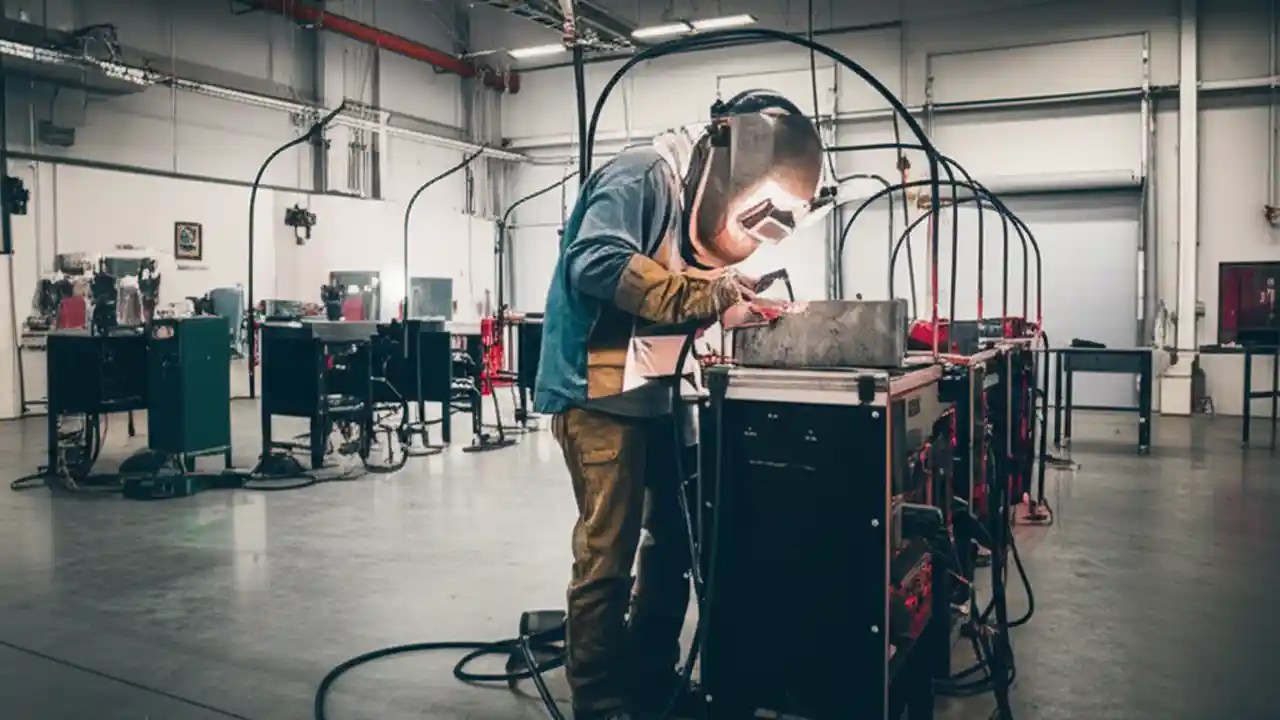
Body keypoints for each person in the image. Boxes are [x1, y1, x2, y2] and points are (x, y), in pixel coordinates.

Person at [534, 89, 825, 720]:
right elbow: (594, 263)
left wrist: (733, 309)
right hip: (598, 391)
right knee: (607, 548)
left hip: (663, 391)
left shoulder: (707, 200)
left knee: (674, 536)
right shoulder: (641, 176)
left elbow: (687, 288)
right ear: (725, 153)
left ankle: (647, 670)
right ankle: (599, 696)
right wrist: (709, 297)